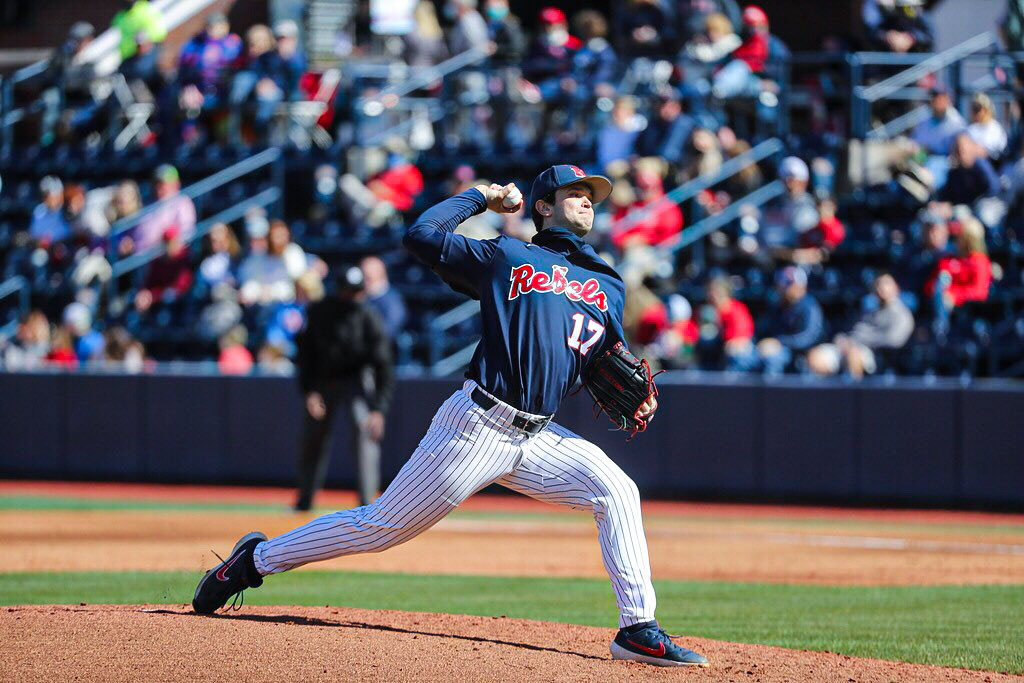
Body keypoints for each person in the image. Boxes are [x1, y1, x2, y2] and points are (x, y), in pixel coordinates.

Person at [191, 164, 709, 668]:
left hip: (540, 436)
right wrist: (481, 197)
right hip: (477, 426)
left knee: (618, 491)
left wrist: (628, 390)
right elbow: (422, 234)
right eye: (574, 191)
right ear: (543, 206)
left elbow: (599, 362)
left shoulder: (608, 283)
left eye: (591, 192)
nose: (587, 198)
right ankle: (255, 561)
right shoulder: (507, 256)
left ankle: (638, 629)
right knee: (379, 528)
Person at [292, 265, 395, 511]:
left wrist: (378, 409)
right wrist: (309, 392)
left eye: (356, 291)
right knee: (313, 437)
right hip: (322, 382)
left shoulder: (368, 316)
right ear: (338, 291)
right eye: (347, 291)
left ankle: (367, 503)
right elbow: (305, 356)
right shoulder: (319, 312)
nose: (352, 296)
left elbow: (383, 365)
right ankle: (304, 501)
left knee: (364, 431)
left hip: (357, 382)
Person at [808, 273, 915, 378]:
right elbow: (854, 330)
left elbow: (895, 341)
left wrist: (859, 343)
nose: (881, 288)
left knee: (853, 355)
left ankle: (852, 393)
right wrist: (842, 339)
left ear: (896, 288)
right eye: (878, 284)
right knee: (816, 356)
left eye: (886, 284)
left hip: (874, 353)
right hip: (848, 346)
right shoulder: (870, 310)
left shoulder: (902, 314)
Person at [131, 165, 197, 253]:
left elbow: (186, 234)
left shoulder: (182, 202)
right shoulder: (148, 203)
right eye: (157, 183)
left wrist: (168, 239)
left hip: (166, 258)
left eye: (163, 184)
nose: (159, 187)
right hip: (140, 257)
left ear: (175, 184)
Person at [360, 255, 407, 339]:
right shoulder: (361, 297)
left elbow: (391, 328)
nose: (364, 280)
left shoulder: (392, 300)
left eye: (368, 277)